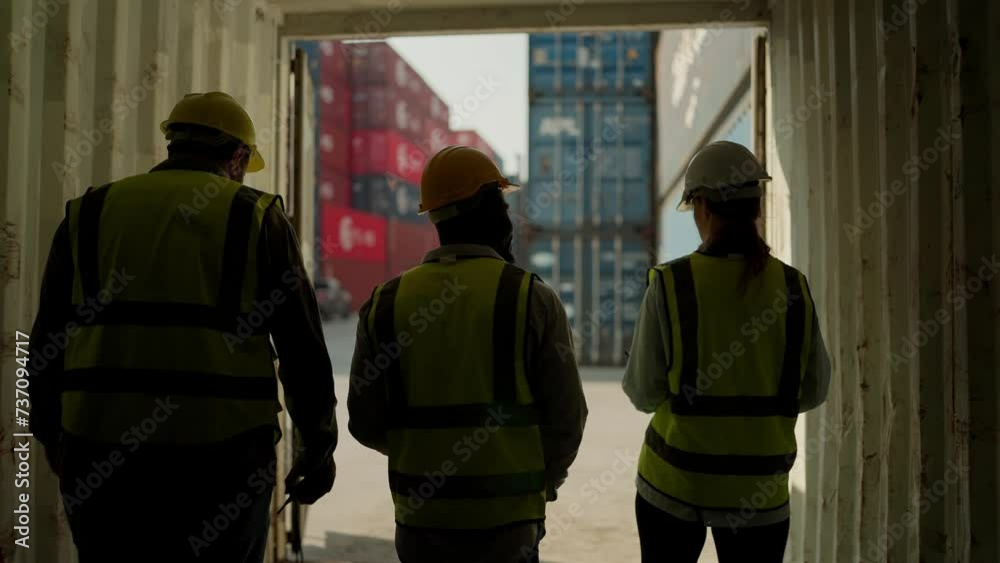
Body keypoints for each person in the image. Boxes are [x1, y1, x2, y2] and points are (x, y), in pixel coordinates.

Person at [28, 92, 337, 563]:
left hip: (100, 451)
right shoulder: (257, 217)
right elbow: (302, 351)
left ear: (173, 145)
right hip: (221, 460)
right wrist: (318, 446)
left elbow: (47, 341)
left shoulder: (88, 213)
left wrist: (52, 434)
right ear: (236, 157)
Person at [347, 146, 588, 563]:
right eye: (502, 201)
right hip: (510, 523)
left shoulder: (386, 302)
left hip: (422, 522)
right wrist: (540, 482)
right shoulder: (531, 298)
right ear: (488, 210)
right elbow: (568, 418)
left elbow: (365, 423)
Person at [622, 141, 831, 563]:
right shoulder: (793, 287)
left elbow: (643, 392)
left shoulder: (670, 283)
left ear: (702, 205)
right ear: (755, 205)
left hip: (675, 484)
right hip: (761, 490)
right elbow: (813, 390)